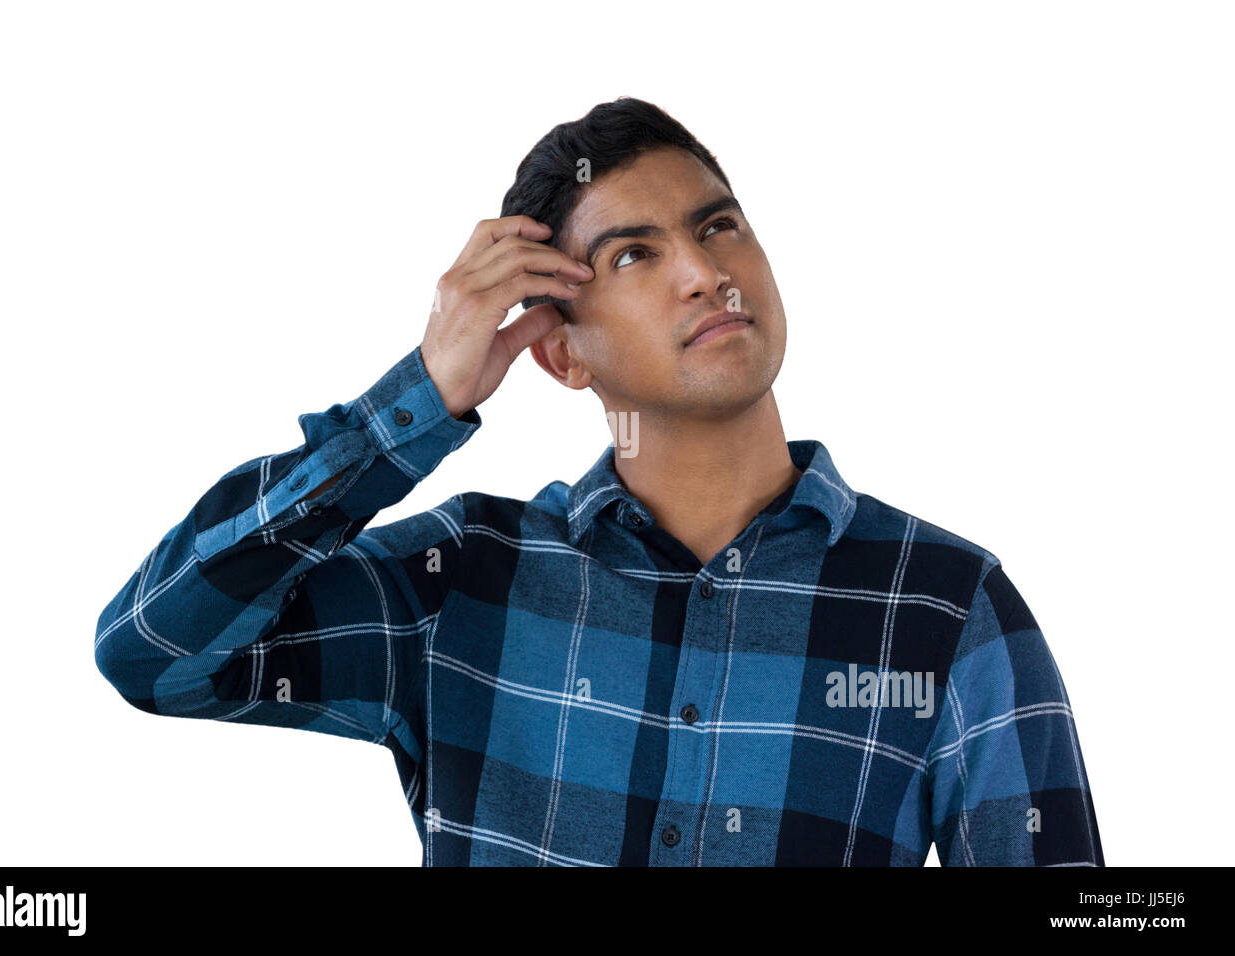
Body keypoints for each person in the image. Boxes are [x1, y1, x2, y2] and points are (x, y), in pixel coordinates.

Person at [95, 97, 1104, 867]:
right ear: (561, 354)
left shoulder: (946, 608)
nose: (705, 273)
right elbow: (158, 652)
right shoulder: (460, 582)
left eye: (718, 228)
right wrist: (408, 411)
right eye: (634, 253)